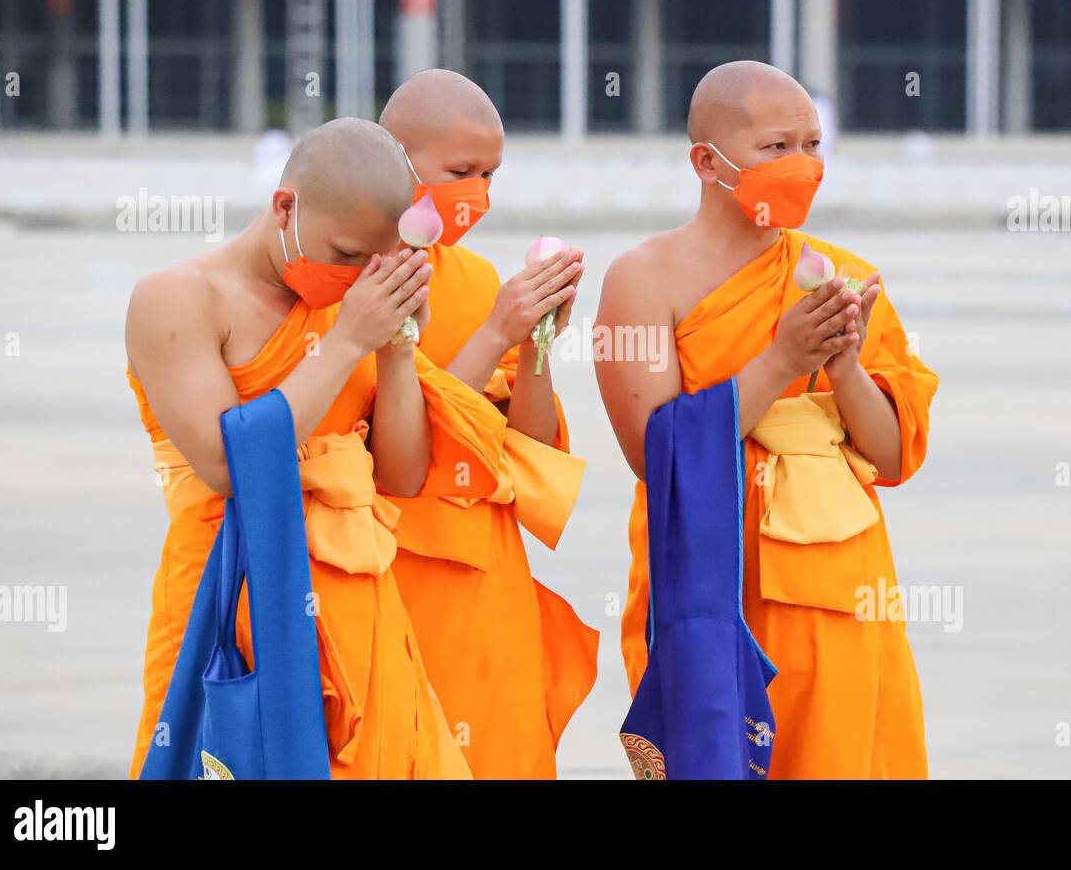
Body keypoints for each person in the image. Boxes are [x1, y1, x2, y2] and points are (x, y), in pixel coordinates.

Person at [595, 61, 939, 779]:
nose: (803, 166)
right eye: (777, 148)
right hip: (715, 593)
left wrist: (841, 365)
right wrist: (782, 361)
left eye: (813, 146)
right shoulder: (643, 278)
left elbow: (895, 457)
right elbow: (652, 452)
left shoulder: (840, 274)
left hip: (846, 594)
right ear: (707, 162)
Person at [125, 117, 489, 779]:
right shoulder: (177, 299)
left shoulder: (358, 311)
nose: (354, 277)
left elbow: (401, 478)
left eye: (373, 263)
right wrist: (349, 339)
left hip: (359, 603)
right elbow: (229, 466)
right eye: (344, 253)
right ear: (284, 206)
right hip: (224, 592)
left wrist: (398, 348)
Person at [375, 70, 598, 779]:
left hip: (490, 573)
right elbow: (391, 450)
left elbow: (526, 450)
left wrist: (534, 343)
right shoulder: (353, 278)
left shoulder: (472, 277)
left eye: (491, 173)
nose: (478, 192)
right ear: (394, 160)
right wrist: (497, 329)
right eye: (460, 171)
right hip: (401, 564)